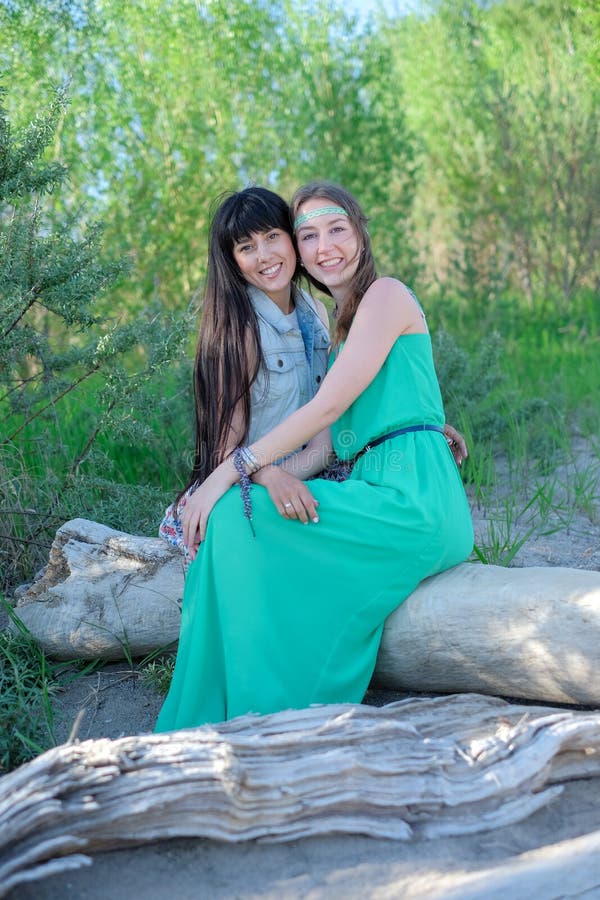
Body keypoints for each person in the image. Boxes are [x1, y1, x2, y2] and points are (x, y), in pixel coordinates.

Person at [155, 180, 474, 732]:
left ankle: (278, 714)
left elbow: (327, 410)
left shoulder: (386, 294)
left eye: (337, 230)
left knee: (234, 517)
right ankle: (221, 713)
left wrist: (228, 474)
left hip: (410, 498)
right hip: (374, 486)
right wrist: (251, 480)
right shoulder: (338, 323)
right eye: (310, 235)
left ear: (360, 233)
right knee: (233, 520)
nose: (325, 246)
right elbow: (329, 445)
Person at [160, 186, 467, 561]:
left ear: (292, 245)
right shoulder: (238, 332)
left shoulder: (322, 318)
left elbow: (332, 419)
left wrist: (420, 428)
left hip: (318, 472)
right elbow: (225, 446)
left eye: (273, 237)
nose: (265, 255)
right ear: (234, 262)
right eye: (246, 247)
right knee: (234, 519)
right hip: (256, 476)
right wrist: (268, 476)